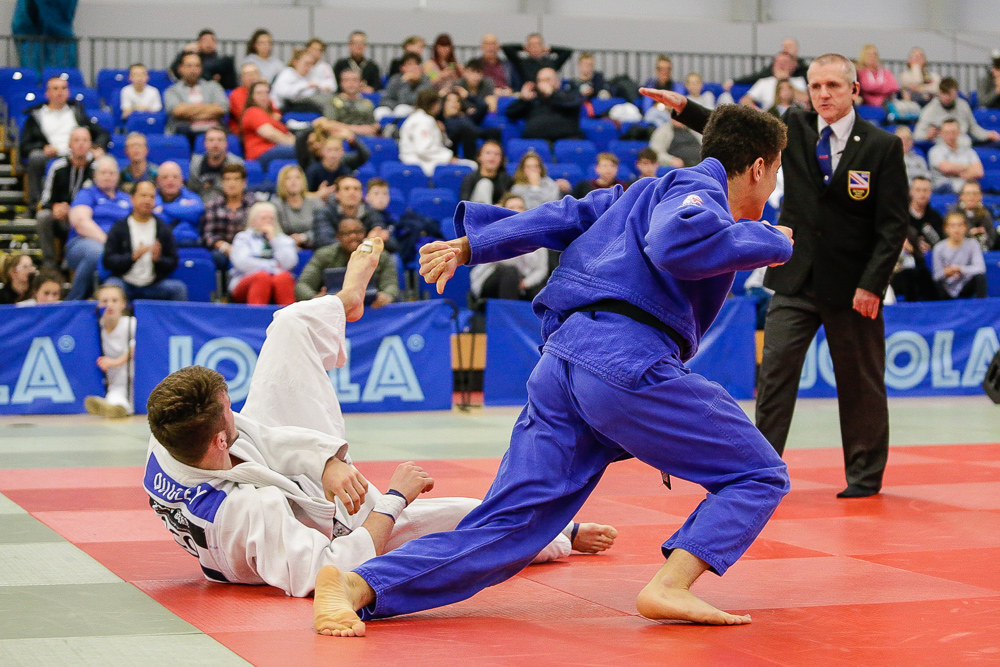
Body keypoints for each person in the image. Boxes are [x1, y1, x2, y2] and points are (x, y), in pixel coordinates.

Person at [311, 102, 795, 637]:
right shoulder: (695, 194)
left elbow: (558, 218)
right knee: (759, 472)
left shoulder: (637, 193)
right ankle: (670, 584)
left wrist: (473, 245)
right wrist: (773, 242)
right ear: (758, 167)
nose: (771, 187)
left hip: (563, 364)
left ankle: (357, 585)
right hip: (621, 360)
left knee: (511, 526)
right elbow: (675, 244)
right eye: (774, 173)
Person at [144, 241, 609, 598]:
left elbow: (254, 433)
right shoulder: (250, 513)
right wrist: (393, 500)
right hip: (321, 532)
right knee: (465, 517)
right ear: (218, 444)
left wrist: (325, 461)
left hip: (265, 480)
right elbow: (329, 570)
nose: (236, 412)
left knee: (288, 328)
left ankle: (346, 299)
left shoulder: (168, 437)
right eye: (229, 412)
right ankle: (557, 533)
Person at [656, 53, 909, 499]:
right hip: (793, 276)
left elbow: (893, 224)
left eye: (833, 85)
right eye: (815, 86)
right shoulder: (794, 126)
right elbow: (740, 132)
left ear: (854, 90)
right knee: (774, 377)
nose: (823, 94)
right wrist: (686, 109)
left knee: (861, 383)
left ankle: (865, 478)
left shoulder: (881, 145)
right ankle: (758, 470)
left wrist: (873, 282)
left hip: (853, 287)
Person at [20, 76, 109, 211]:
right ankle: (36, 205)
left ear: (68, 92)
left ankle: (100, 205)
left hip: (79, 154)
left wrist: (98, 147)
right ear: (47, 93)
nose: (60, 92)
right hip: (51, 156)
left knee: (104, 161)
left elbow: (102, 134)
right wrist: (43, 148)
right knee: (36, 157)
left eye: (63, 88)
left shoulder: (77, 112)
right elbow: (24, 146)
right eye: (55, 88)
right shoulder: (35, 116)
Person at [102, 180, 187, 302]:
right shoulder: (119, 228)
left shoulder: (163, 228)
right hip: (125, 282)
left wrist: (158, 260)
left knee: (178, 289)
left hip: (153, 284)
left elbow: (173, 262)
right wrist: (132, 257)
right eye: (143, 195)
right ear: (132, 199)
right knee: (112, 288)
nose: (147, 200)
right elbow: (108, 261)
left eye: (151, 196)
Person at [66, 156, 133, 301]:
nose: (107, 176)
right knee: (97, 253)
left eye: (111, 173)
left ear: (118, 176)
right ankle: (74, 301)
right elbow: (80, 222)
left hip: (118, 247)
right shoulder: (87, 194)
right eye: (103, 173)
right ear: (95, 176)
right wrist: (108, 242)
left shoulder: (126, 199)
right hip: (83, 242)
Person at [295, 217, 397, 306]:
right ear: (338, 237)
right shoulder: (323, 255)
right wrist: (315, 299)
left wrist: (387, 296)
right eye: (347, 233)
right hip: (332, 311)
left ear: (364, 234)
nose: (353, 236)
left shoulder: (378, 255)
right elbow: (302, 285)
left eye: (358, 232)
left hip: (371, 310)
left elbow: (391, 284)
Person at [469, 193, 549, 305]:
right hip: (490, 279)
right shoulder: (494, 232)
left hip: (521, 280)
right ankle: (507, 316)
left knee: (544, 290)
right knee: (510, 272)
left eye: (520, 207)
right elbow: (505, 261)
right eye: (511, 208)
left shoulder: (537, 235)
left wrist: (526, 283)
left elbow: (541, 269)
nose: (516, 211)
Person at [37, 126, 94, 268]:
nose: (81, 144)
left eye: (85, 140)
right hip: (61, 217)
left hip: (85, 218)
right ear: (69, 144)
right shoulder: (57, 166)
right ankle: (49, 263)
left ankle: (71, 260)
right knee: (43, 216)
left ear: (90, 145)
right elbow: (45, 200)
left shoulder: (97, 169)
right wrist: (55, 207)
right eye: (76, 140)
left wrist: (75, 211)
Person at [228, 201, 299, 305]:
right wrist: (273, 266)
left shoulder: (285, 240)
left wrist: (274, 240)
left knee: (284, 278)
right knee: (262, 277)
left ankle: (288, 318)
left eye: (271, 219)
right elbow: (242, 263)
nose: (268, 222)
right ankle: (256, 318)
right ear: (253, 221)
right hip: (245, 281)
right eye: (263, 218)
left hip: (277, 280)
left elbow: (290, 264)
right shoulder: (243, 238)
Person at [83, 284, 136, 419]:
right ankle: (115, 408)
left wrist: (114, 362)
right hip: (111, 378)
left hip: (132, 373)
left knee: (126, 389)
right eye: (104, 301)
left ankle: (119, 407)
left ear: (123, 304)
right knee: (115, 394)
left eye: (114, 300)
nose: (109, 305)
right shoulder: (95, 327)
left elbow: (135, 348)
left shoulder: (131, 323)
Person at [201, 163, 260, 270]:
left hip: (251, 249)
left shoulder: (256, 205)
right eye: (227, 179)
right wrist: (224, 246)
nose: (231, 183)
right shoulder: (213, 206)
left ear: (244, 182)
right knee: (216, 257)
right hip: (223, 250)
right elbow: (207, 235)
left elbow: (261, 232)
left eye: (236, 179)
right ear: (222, 183)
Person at [505, 68, 583, 143]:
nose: (543, 83)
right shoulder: (532, 99)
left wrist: (552, 95)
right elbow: (510, 113)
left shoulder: (568, 94)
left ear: (557, 82)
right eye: (540, 80)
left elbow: (574, 104)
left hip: (566, 140)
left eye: (547, 80)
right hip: (536, 142)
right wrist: (523, 100)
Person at [399, 89, 464, 178]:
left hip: (427, 160)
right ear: (434, 104)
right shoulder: (422, 121)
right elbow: (423, 149)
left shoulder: (425, 119)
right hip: (420, 163)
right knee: (470, 166)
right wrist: (448, 157)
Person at [165, 53, 228, 143]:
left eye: (197, 66)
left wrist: (189, 111)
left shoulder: (213, 86)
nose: (193, 69)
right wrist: (208, 109)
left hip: (212, 130)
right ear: (180, 68)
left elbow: (222, 108)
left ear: (201, 68)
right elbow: (177, 111)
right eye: (189, 66)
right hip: (185, 132)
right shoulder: (172, 90)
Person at [914, 78, 1000, 144]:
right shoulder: (930, 109)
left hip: (962, 141)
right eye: (944, 93)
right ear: (939, 93)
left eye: (950, 94)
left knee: (966, 141)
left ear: (956, 93)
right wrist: (927, 135)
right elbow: (917, 135)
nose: (947, 97)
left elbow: (973, 127)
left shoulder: (963, 105)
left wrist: (987, 134)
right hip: (940, 143)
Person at [313, 176, 389, 249]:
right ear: (337, 194)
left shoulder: (371, 213)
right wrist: (366, 242)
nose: (352, 192)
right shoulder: (325, 213)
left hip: (364, 258)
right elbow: (323, 241)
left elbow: (392, 244)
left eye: (356, 189)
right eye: (346, 189)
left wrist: (380, 237)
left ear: (362, 194)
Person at [240, 81, 298, 171]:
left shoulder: (271, 115)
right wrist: (296, 144)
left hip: (276, 149)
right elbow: (271, 134)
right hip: (261, 153)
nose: (264, 96)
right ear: (251, 96)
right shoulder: (252, 112)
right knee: (303, 151)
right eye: (259, 93)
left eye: (266, 92)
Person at [933, 212, 988, 299]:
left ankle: (982, 307)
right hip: (945, 288)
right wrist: (946, 272)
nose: (956, 229)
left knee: (980, 278)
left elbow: (981, 268)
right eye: (952, 226)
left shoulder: (973, 244)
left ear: (965, 227)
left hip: (965, 286)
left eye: (960, 225)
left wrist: (959, 269)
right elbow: (936, 275)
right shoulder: (939, 247)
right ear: (946, 228)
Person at [154, 161, 205, 246]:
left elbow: (197, 212)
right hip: (158, 244)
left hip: (189, 243)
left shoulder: (193, 197)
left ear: (181, 180)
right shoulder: (151, 198)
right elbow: (154, 219)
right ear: (158, 181)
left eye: (175, 177)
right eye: (165, 177)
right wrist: (182, 212)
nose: (170, 181)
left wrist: (163, 208)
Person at [188, 126, 244, 202]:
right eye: (211, 140)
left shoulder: (236, 164)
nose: (215, 144)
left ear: (226, 144)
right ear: (205, 144)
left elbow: (239, 191)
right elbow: (191, 190)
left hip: (227, 206)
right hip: (200, 206)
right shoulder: (195, 163)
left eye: (220, 140)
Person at [273, 164, 323, 248]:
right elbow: (276, 231)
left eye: (297, 177)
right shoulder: (276, 205)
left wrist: (304, 237)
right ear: (282, 182)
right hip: (285, 247)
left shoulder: (315, 202)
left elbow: (322, 229)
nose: (294, 181)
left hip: (315, 246)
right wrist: (290, 241)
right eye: (288, 178)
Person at [929, 119, 984, 193]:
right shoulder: (935, 151)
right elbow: (946, 168)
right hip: (945, 189)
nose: (951, 136)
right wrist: (968, 167)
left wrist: (955, 171)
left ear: (959, 132)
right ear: (941, 133)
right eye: (947, 132)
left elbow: (979, 172)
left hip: (966, 189)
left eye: (953, 132)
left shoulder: (969, 151)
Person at [169, 28, 237, 90]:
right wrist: (184, 52)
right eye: (205, 40)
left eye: (212, 40)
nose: (209, 43)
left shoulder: (223, 61)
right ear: (198, 43)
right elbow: (175, 71)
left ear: (216, 43)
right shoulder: (193, 58)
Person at [305, 133, 371, 195]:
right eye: (329, 150)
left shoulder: (346, 170)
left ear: (342, 151)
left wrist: (352, 138)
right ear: (322, 151)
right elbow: (304, 194)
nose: (333, 154)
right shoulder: (313, 170)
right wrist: (319, 194)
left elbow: (364, 155)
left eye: (336, 149)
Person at [502, 33, 573, 90]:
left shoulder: (551, 62)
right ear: (527, 47)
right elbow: (506, 48)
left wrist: (550, 49)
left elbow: (567, 52)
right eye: (532, 45)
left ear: (543, 46)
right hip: (530, 93)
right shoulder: (522, 62)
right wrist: (522, 48)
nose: (535, 47)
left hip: (550, 93)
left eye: (538, 44)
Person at [272, 49, 333, 114]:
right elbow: (284, 93)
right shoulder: (287, 73)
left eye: (311, 64)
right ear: (295, 62)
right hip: (280, 110)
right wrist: (306, 86)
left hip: (300, 109)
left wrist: (319, 87)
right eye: (306, 63)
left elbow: (330, 86)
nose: (309, 67)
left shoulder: (308, 76)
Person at [741, 53, 807, 110]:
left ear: (793, 66)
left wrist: (785, 81)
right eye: (778, 62)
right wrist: (760, 113)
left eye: (785, 62)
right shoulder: (764, 82)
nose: (781, 65)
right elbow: (745, 101)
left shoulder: (799, 80)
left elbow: (806, 99)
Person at [377, 53, 433, 120]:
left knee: (401, 109)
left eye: (417, 64)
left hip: (415, 110)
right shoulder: (395, 79)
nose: (414, 67)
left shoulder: (425, 80)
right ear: (402, 67)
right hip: (394, 107)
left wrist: (408, 83)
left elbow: (414, 100)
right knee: (379, 111)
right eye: (410, 64)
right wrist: (395, 105)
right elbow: (384, 99)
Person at [325, 70, 380, 137]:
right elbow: (330, 124)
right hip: (342, 137)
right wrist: (356, 129)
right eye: (346, 80)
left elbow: (373, 124)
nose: (351, 83)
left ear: (361, 83)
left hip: (367, 138)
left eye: (354, 80)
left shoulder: (367, 103)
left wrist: (374, 128)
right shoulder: (332, 102)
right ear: (341, 83)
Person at [229, 63, 276, 135]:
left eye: (254, 73)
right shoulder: (237, 94)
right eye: (248, 74)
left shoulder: (264, 91)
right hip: (247, 132)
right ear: (242, 78)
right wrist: (269, 118)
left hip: (268, 129)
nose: (252, 77)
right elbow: (247, 116)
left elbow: (276, 114)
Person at [951, 180, 998, 251]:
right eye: (968, 193)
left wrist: (984, 235)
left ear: (981, 196)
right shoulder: (954, 213)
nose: (972, 197)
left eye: (975, 194)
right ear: (961, 196)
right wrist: (968, 234)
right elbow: (948, 236)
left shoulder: (985, 213)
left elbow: (991, 236)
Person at [908, 175, 943, 247]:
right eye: (918, 190)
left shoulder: (935, 217)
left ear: (931, 193)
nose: (922, 194)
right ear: (911, 192)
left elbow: (941, 242)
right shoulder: (902, 215)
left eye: (925, 190)